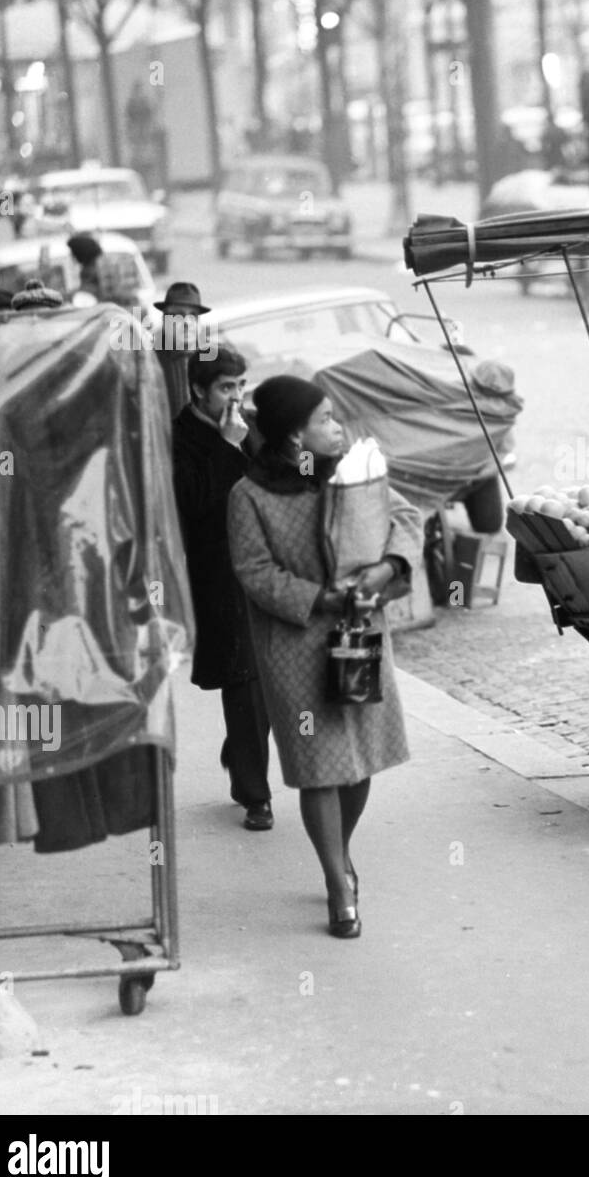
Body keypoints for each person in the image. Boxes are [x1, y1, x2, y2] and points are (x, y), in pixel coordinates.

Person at [227, 376, 422, 938]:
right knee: (319, 767)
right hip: (294, 646)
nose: (338, 428)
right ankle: (338, 884)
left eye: (336, 418)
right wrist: (321, 597)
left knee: (357, 761)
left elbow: (404, 520)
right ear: (294, 434)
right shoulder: (249, 496)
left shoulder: (354, 472)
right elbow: (255, 572)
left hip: (358, 631)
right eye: (326, 419)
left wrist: (388, 569)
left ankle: (341, 853)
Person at [172, 343, 275, 831]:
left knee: (268, 678)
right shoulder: (181, 437)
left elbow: (280, 476)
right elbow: (193, 505)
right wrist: (227, 449)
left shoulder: (252, 424)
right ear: (198, 390)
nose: (236, 397)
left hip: (268, 570)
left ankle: (241, 750)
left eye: (241, 385)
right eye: (225, 388)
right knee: (243, 677)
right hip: (218, 573)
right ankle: (256, 795)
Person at [154, 281, 211, 419]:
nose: (186, 323)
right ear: (164, 320)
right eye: (178, 316)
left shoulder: (212, 358)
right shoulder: (149, 360)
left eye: (193, 316)